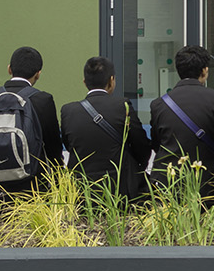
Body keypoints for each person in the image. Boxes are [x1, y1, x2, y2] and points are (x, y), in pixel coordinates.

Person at [60, 56, 151, 201]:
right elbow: (142, 145)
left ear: (84, 82)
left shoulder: (68, 111)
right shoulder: (123, 106)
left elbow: (70, 145)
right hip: (120, 190)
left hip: (82, 193)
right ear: (112, 80)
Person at [147, 45, 214, 189]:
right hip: (207, 181)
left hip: (168, 181)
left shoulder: (159, 104)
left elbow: (157, 143)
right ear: (204, 71)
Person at [0, 46, 62, 192]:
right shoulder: (43, 100)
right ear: (38, 74)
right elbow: (53, 148)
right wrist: (58, 180)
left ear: (9, 69)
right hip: (32, 186)